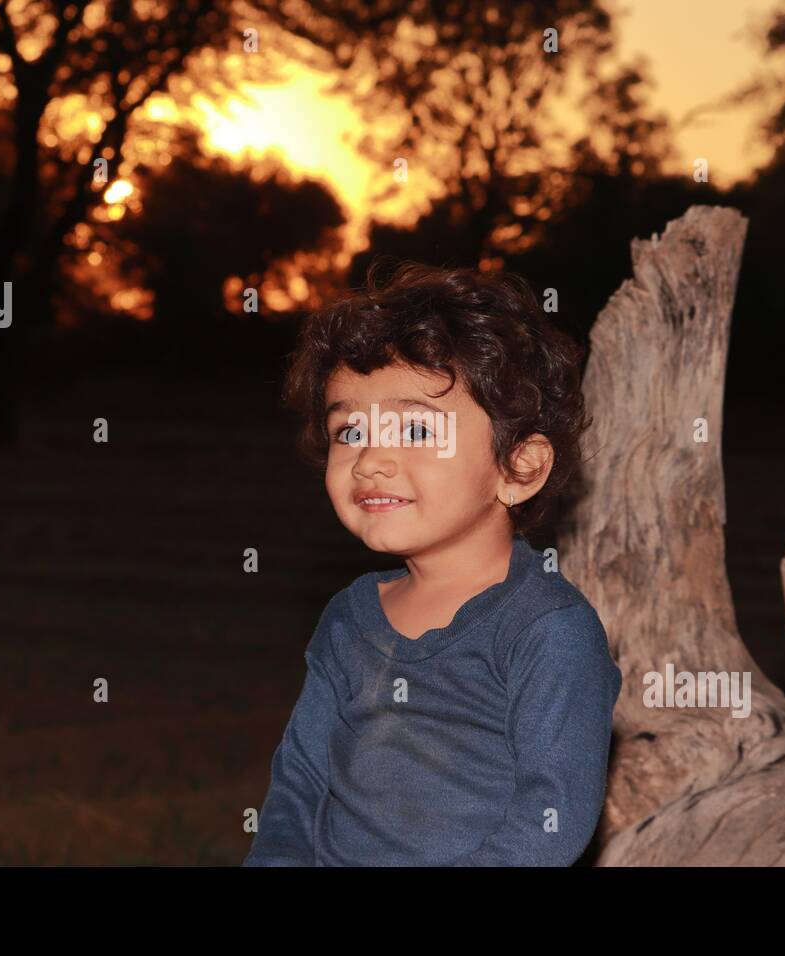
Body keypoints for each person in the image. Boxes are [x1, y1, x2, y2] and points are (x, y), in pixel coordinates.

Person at [243, 261, 623, 866]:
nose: (370, 459)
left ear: (519, 467)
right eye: (349, 431)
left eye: (416, 429)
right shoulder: (349, 619)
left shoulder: (547, 631)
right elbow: (299, 784)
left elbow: (553, 816)